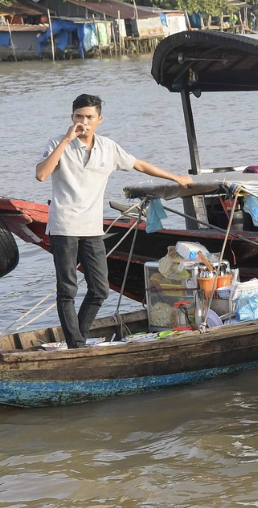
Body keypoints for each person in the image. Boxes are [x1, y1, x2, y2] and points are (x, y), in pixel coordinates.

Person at [34, 93, 192, 348]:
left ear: (99, 119)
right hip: (63, 226)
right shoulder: (57, 143)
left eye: (89, 117)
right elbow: (41, 175)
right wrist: (66, 139)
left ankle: (78, 340)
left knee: (100, 289)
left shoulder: (108, 148)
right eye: (78, 117)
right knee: (67, 290)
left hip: (92, 228)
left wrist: (177, 178)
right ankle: (77, 346)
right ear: (71, 118)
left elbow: (138, 164)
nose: (83, 122)